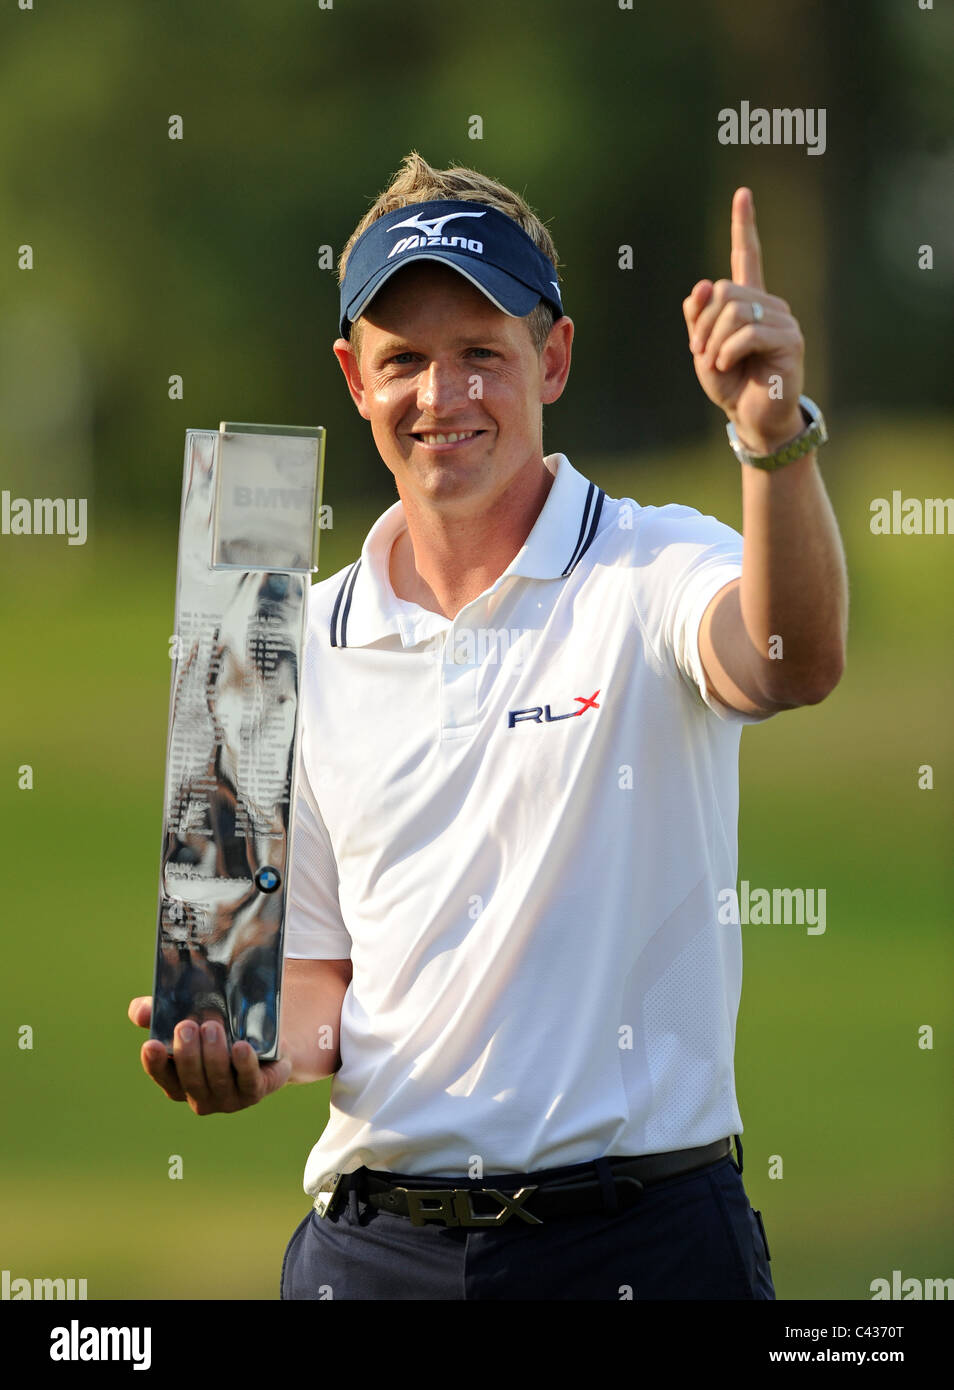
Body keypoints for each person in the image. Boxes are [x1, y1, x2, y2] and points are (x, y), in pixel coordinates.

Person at [129, 152, 848, 1300]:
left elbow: (790, 662)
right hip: (372, 1251)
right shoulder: (273, 638)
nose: (441, 396)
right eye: (404, 360)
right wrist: (249, 1052)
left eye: (481, 355)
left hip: (643, 1245)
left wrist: (773, 440)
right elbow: (314, 983)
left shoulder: (655, 563)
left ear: (551, 357)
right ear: (354, 380)